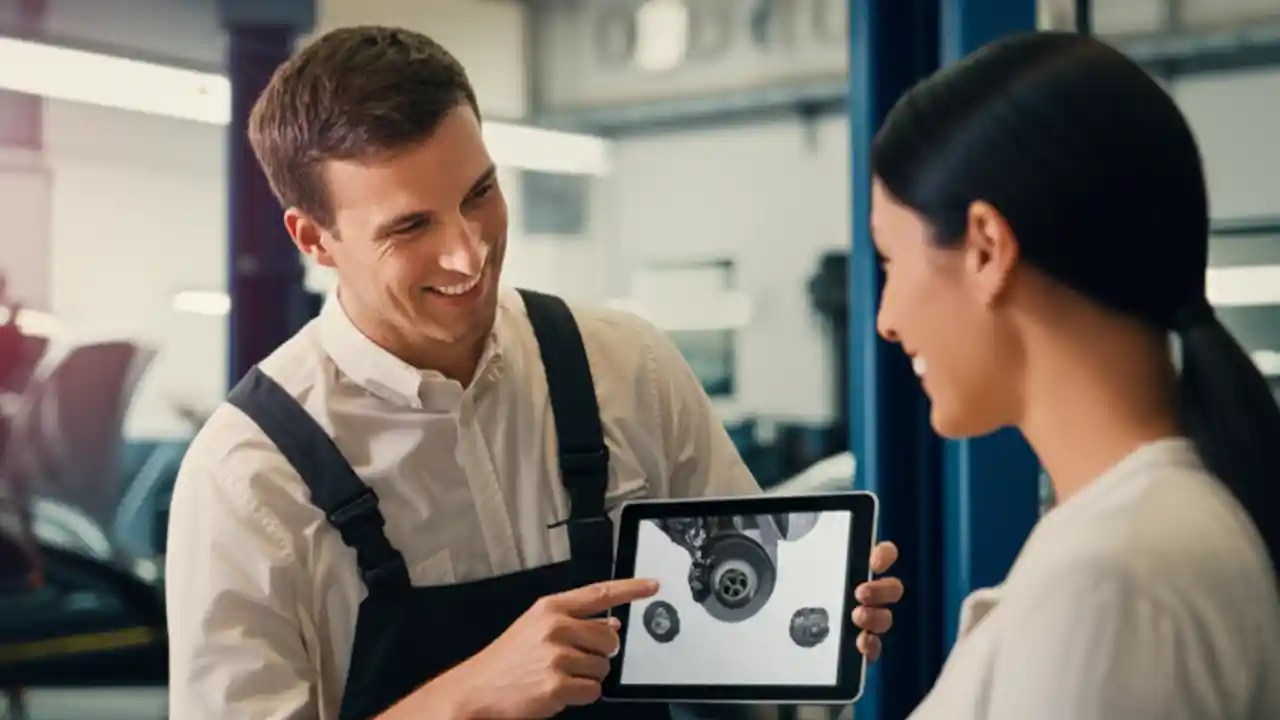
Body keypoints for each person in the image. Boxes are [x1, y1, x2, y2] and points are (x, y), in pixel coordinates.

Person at [164, 25, 903, 720]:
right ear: (314, 239)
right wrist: (470, 699)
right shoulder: (250, 477)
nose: (468, 253)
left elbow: (736, 622)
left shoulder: (628, 367)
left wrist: (809, 620)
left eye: (479, 194)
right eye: (411, 227)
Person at [867, 31, 1280, 719]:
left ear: (985, 249)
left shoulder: (1112, 576)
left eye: (891, 261)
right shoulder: (1153, 531)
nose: (886, 317)